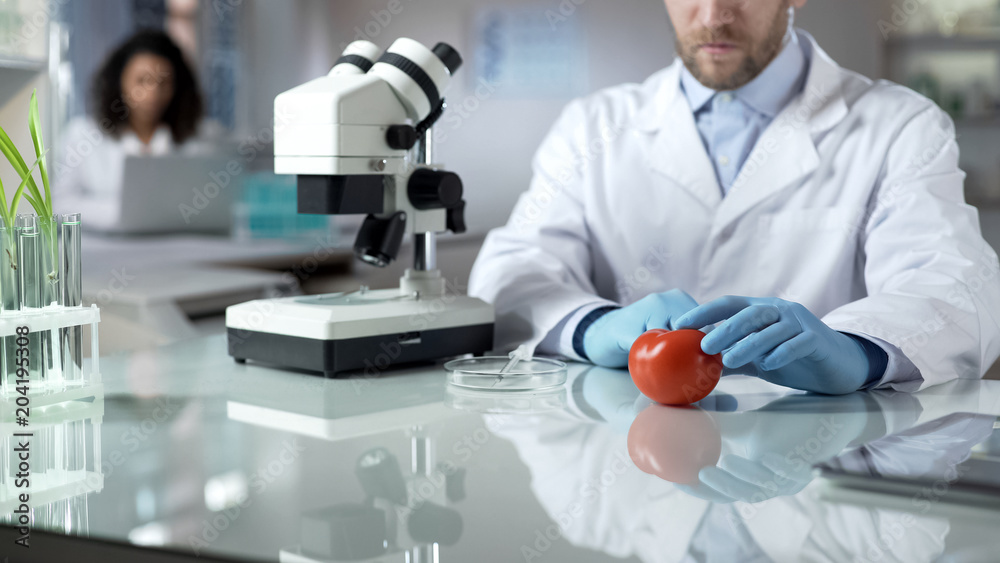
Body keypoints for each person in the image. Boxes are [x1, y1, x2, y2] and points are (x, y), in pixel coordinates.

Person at [468, 0, 1000, 394]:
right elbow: (511, 272)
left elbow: (955, 286)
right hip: (637, 464)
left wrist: (857, 351)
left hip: (821, 472)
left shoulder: (899, 124)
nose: (714, 14)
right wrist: (593, 326)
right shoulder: (592, 127)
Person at [52, 30, 220, 229]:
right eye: (141, 81)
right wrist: (124, 212)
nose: (153, 93)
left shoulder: (200, 139)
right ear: (119, 82)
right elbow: (60, 205)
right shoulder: (82, 135)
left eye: (163, 83)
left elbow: (214, 206)